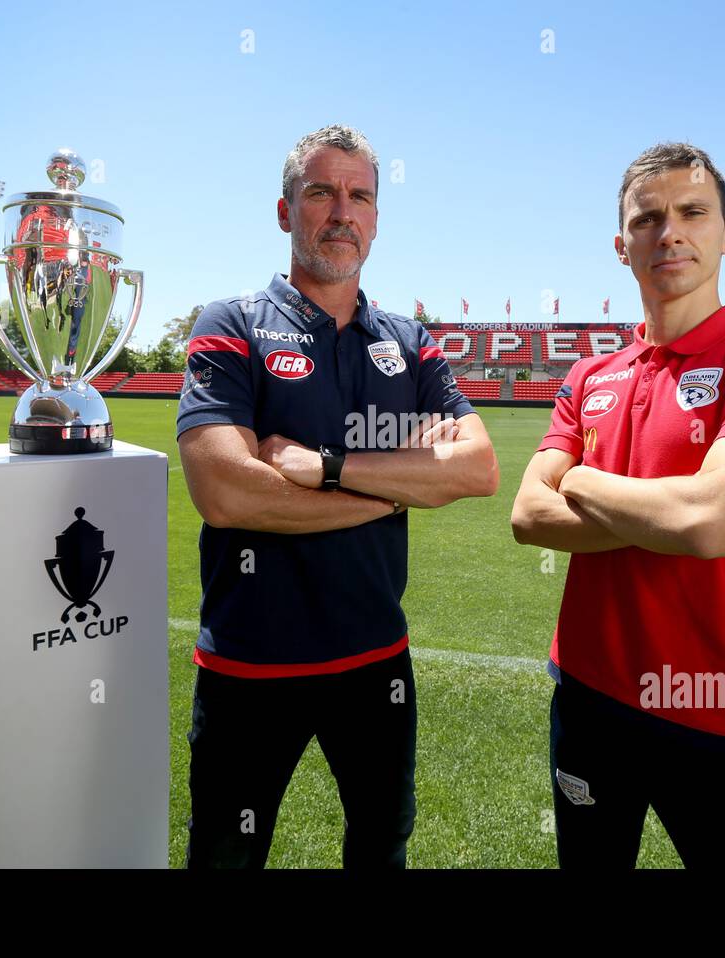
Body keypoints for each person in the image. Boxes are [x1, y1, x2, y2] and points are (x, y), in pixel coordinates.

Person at [175, 124, 499, 869]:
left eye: (360, 196)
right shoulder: (230, 326)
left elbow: (477, 468)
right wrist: (399, 489)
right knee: (224, 854)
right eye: (320, 192)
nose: (341, 211)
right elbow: (225, 491)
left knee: (381, 848)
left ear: (377, 218)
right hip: (250, 666)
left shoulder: (410, 341)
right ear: (286, 211)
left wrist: (321, 466)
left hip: (376, 661)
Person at [512, 142, 725, 870]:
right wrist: (663, 511)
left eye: (693, 212)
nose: (670, 232)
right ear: (621, 246)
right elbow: (528, 516)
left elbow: (708, 522)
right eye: (647, 218)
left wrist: (585, 482)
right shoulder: (590, 372)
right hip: (589, 701)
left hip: (724, 713)